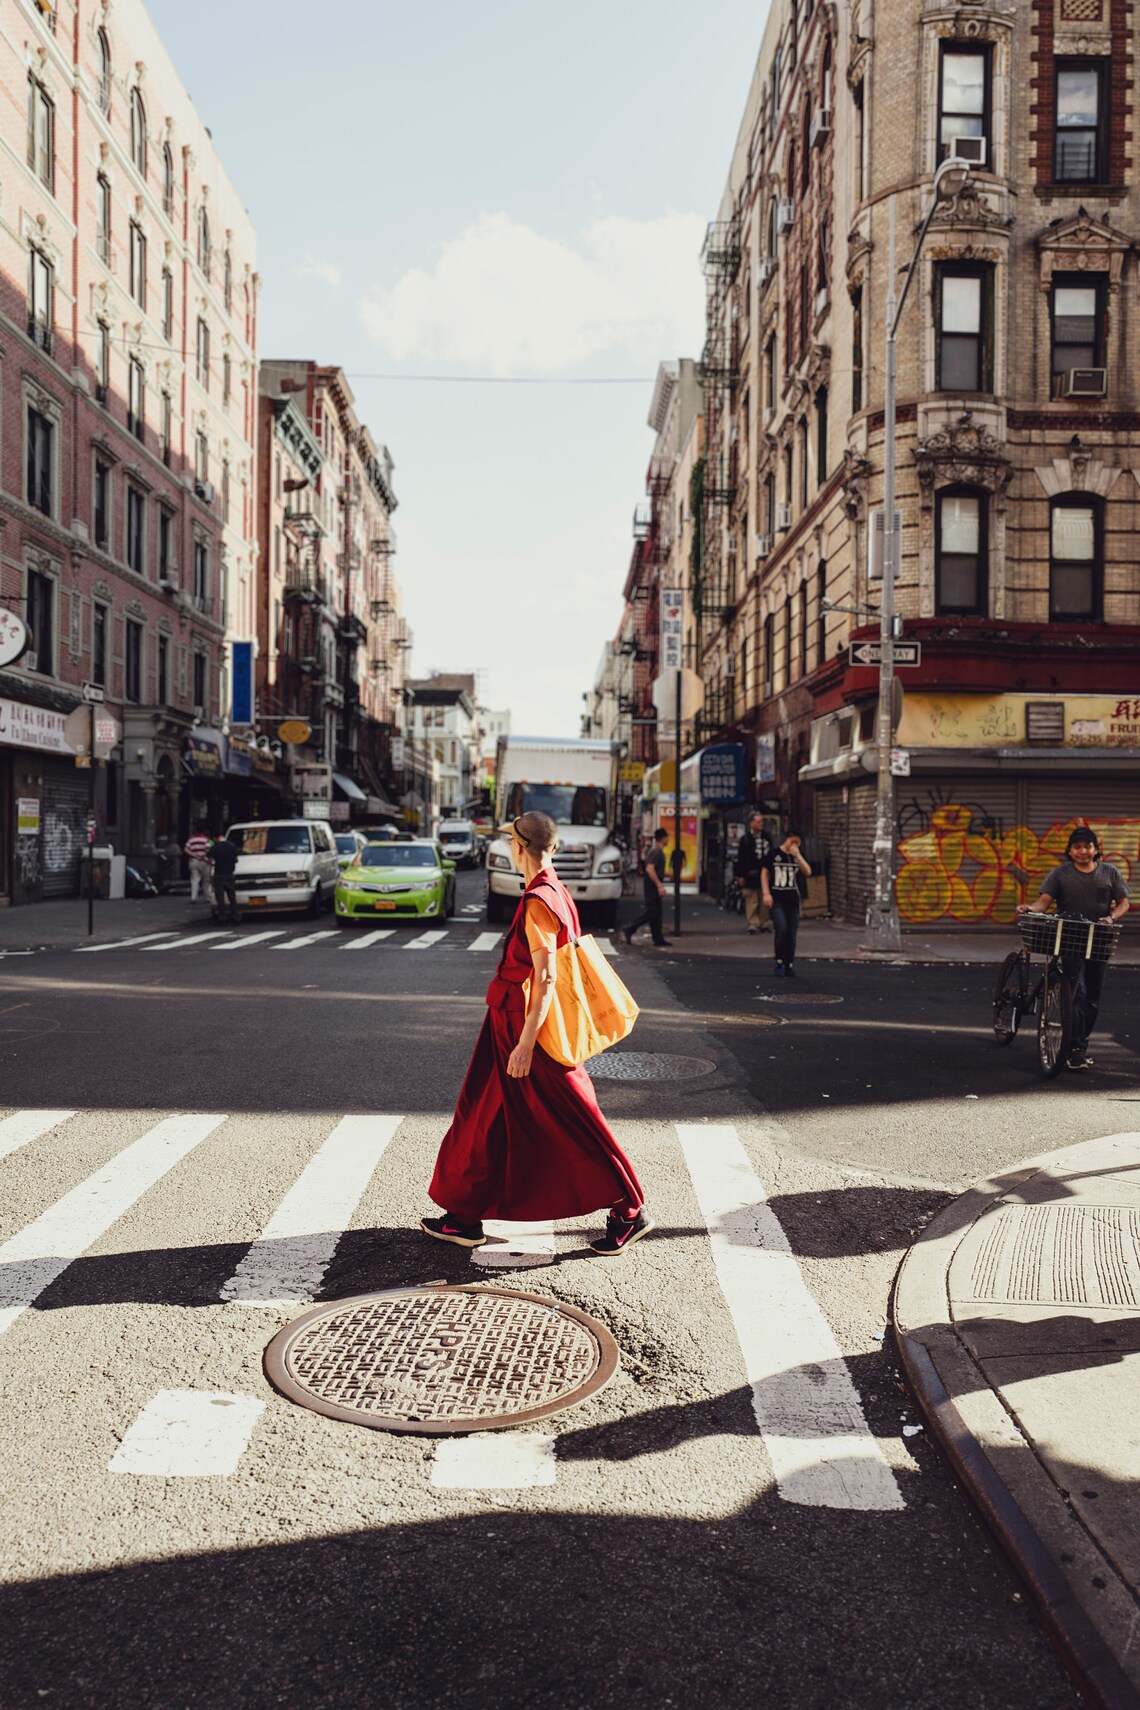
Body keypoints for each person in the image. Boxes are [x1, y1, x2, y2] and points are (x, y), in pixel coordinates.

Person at [424, 811, 650, 1257]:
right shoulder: (554, 890)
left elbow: (546, 977)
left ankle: (630, 1210)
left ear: (518, 847)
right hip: (512, 1023)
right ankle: (464, 1215)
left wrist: (526, 1044)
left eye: (511, 841)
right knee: (486, 1117)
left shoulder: (538, 900)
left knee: (572, 1116)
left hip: (528, 1029)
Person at [1017, 826, 1130, 1071]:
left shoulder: (1109, 872)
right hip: (1069, 939)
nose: (1082, 851)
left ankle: (1079, 1043)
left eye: (1087, 846)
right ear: (1070, 851)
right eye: (1077, 847)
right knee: (1076, 993)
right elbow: (1044, 901)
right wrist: (1031, 908)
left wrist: (1111, 917)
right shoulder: (1060, 874)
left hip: (1099, 939)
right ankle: (1076, 1049)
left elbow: (1124, 902)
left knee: (1093, 997)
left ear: (1096, 849)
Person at [761, 828, 812, 977]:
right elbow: (764, 872)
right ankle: (779, 962)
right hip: (777, 898)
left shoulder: (798, 856)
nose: (794, 845)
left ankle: (789, 963)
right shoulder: (774, 854)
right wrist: (766, 893)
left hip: (793, 900)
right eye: (792, 842)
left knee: (791, 933)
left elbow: (808, 872)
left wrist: (798, 856)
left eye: (797, 843)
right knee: (781, 929)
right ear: (786, 840)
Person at [624, 827, 670, 947]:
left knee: (656, 912)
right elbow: (650, 868)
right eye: (666, 837)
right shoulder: (656, 851)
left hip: (652, 883)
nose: (668, 839)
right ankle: (630, 928)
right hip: (651, 884)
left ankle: (658, 938)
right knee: (652, 912)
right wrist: (659, 885)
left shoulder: (655, 850)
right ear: (663, 838)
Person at [734, 812, 771, 935]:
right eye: (758, 821)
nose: (761, 824)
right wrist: (741, 875)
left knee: (764, 899)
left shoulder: (767, 837)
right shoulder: (745, 840)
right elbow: (741, 858)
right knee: (751, 900)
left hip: (764, 873)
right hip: (750, 874)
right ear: (751, 823)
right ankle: (753, 923)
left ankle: (764, 923)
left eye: (762, 821)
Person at [208, 831, 240, 926]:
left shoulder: (215, 847)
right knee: (232, 897)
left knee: (220, 897)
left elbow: (210, 859)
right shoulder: (232, 846)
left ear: (215, 838)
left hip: (219, 874)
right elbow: (236, 860)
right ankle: (235, 916)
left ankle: (223, 917)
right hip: (229, 873)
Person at [184, 827, 213, 904]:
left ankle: (193, 897)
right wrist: (205, 857)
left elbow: (186, 849)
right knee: (206, 880)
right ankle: (207, 897)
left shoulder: (191, 839)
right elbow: (208, 849)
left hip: (194, 861)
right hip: (204, 861)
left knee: (194, 880)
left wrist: (194, 855)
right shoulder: (205, 839)